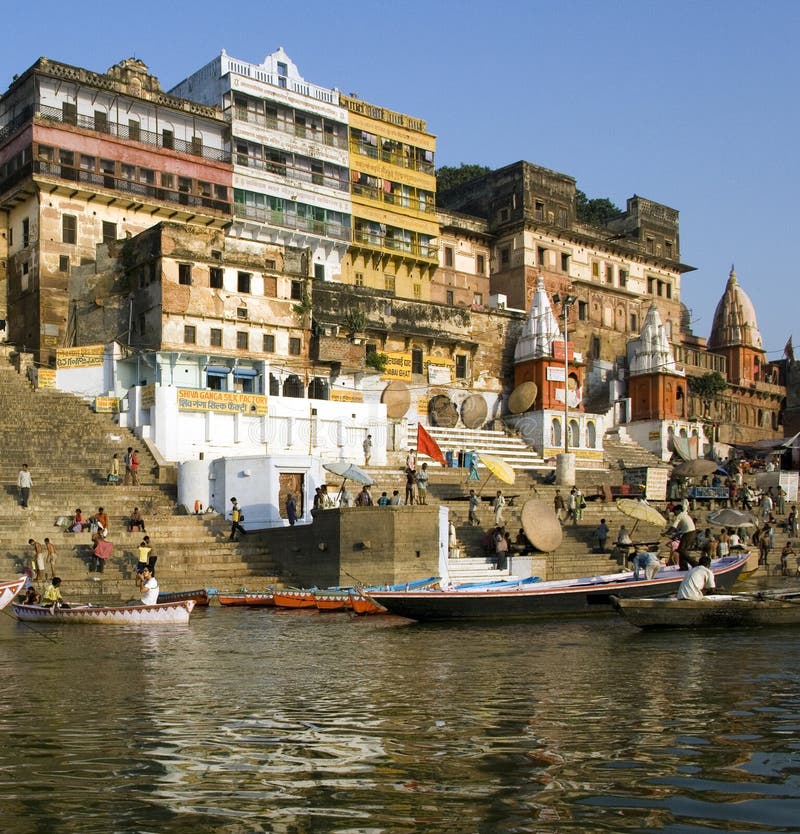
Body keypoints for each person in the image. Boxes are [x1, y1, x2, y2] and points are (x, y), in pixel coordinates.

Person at [671, 503, 697, 570]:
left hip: (689, 533)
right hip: (690, 533)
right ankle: (683, 567)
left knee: (681, 550)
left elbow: (673, 528)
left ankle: (695, 563)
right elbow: (679, 529)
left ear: (679, 510)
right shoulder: (684, 515)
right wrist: (674, 535)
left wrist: (665, 533)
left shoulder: (680, 515)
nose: (674, 513)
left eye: (674, 512)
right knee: (682, 550)